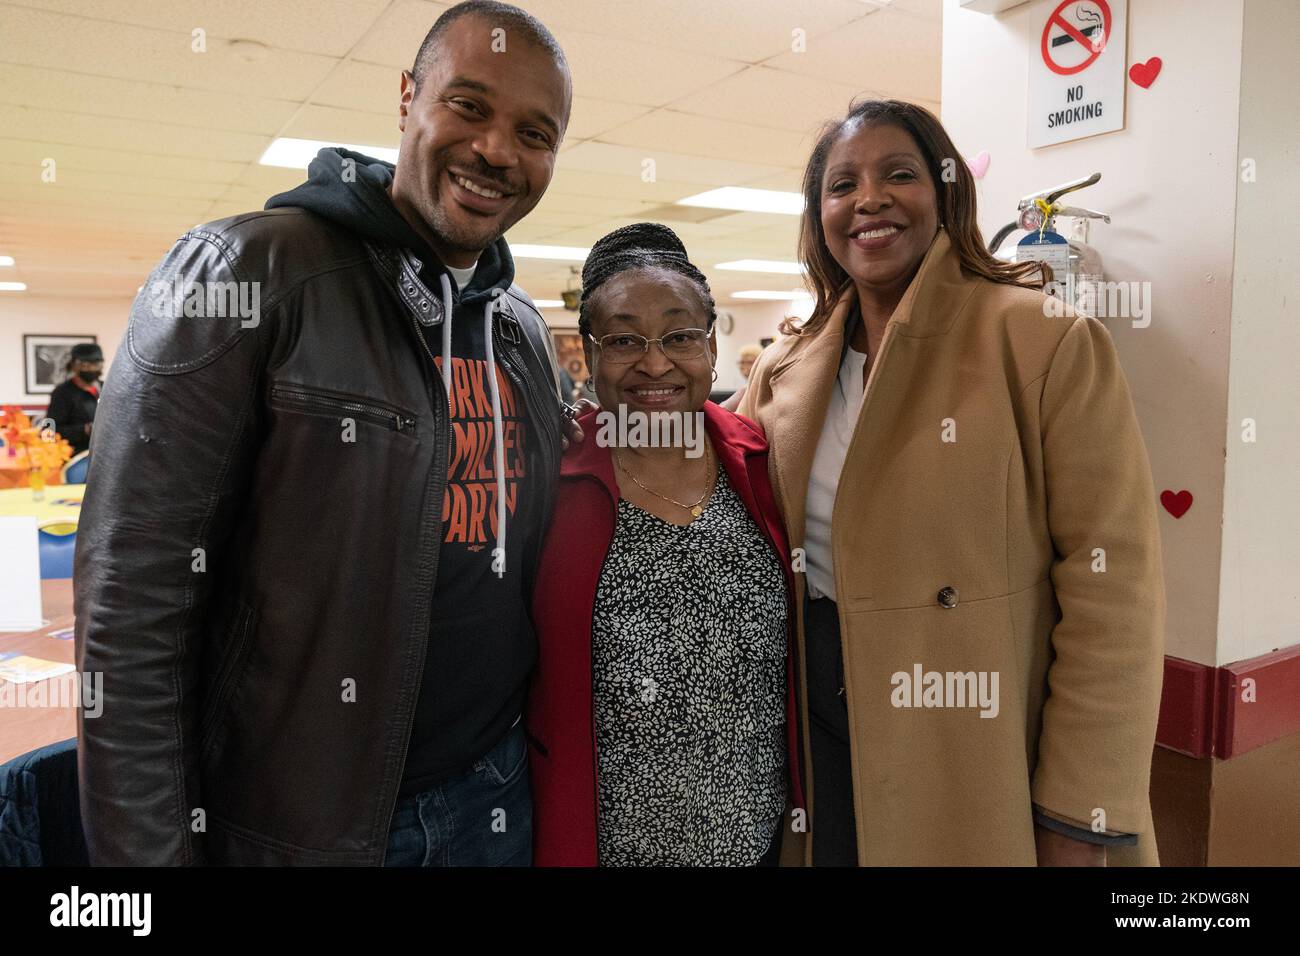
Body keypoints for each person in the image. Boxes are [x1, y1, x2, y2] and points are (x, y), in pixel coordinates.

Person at [75, 1, 583, 866]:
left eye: (534, 132)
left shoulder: (520, 329)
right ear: (406, 99)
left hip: (496, 794)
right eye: (469, 106)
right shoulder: (250, 273)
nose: (498, 150)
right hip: (307, 823)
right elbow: (129, 613)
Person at [737, 99, 1165, 866]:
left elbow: (1115, 589)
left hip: (976, 746)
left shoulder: (1044, 340)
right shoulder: (782, 369)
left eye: (899, 174)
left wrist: (1080, 809)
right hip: (813, 743)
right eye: (842, 185)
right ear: (819, 215)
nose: (868, 199)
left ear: (947, 195)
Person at [526, 223, 803, 866]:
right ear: (589, 356)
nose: (655, 363)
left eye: (679, 336)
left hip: (758, 839)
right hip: (608, 842)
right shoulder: (546, 481)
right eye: (624, 340)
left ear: (710, 345)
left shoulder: (764, 466)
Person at [45, 343, 102, 457]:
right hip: (75, 457)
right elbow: (49, 431)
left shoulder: (108, 388)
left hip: (104, 455)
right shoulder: (61, 393)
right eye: (85, 364)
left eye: (96, 364)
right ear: (74, 365)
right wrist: (85, 430)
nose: (91, 368)